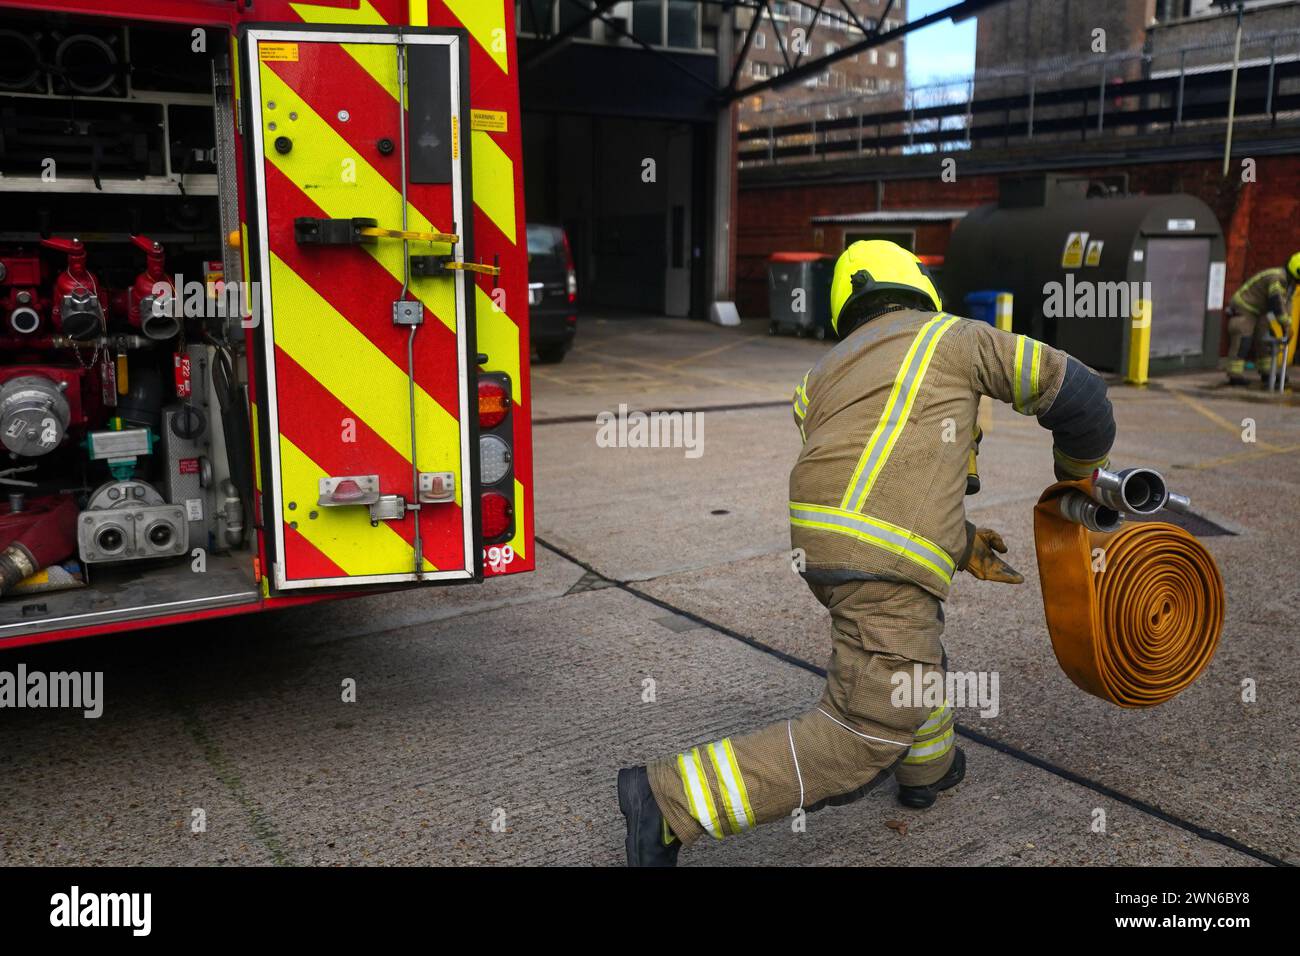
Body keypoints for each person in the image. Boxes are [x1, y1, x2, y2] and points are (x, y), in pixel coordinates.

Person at [617, 240, 1116, 866]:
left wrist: (960, 545)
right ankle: (669, 802)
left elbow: (883, 469)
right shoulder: (954, 339)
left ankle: (928, 770)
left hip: (823, 548)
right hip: (881, 554)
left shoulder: (820, 376)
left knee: (911, 643)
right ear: (917, 287)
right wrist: (1077, 483)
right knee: (860, 738)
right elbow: (1084, 400)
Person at [1225, 255, 1299, 385]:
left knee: (1266, 339)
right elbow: (1277, 302)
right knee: (1243, 338)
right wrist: (1286, 325)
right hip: (1245, 307)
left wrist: (1287, 324)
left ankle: (1268, 373)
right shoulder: (1278, 278)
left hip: (1261, 311)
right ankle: (1234, 375)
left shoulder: (1290, 283)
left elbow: (1286, 304)